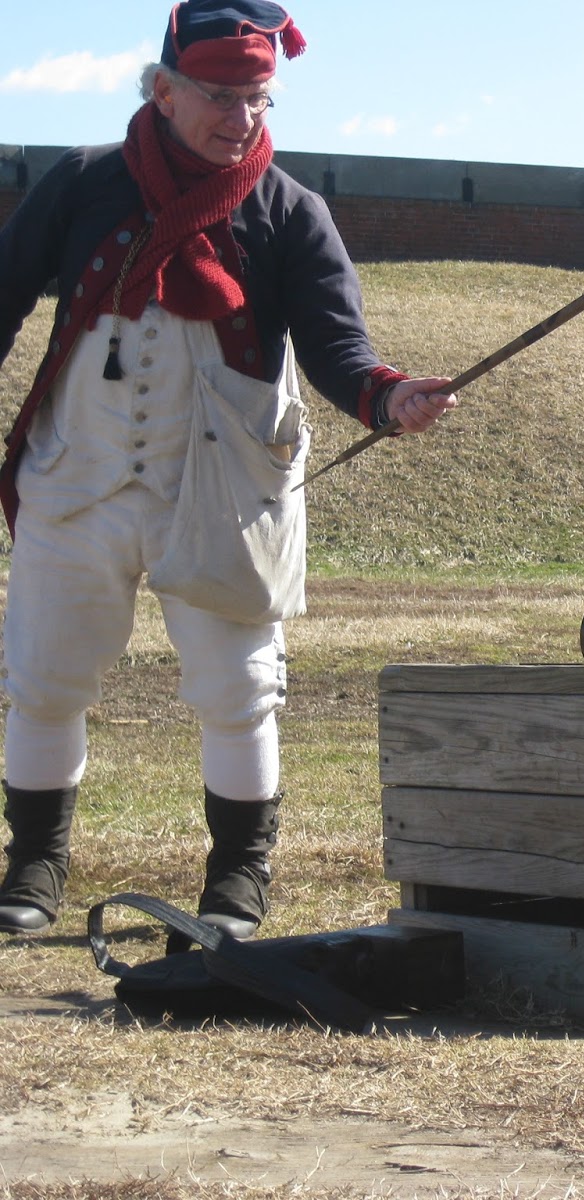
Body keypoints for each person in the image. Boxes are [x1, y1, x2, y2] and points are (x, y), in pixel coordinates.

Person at [0, 1, 457, 939]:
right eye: (220, 96)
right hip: (76, 470)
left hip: (219, 486)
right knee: (42, 677)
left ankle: (238, 877)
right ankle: (34, 867)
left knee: (238, 688)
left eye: (257, 98)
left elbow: (337, 344)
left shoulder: (292, 210)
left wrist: (385, 395)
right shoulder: (82, 181)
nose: (242, 117)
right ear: (162, 90)